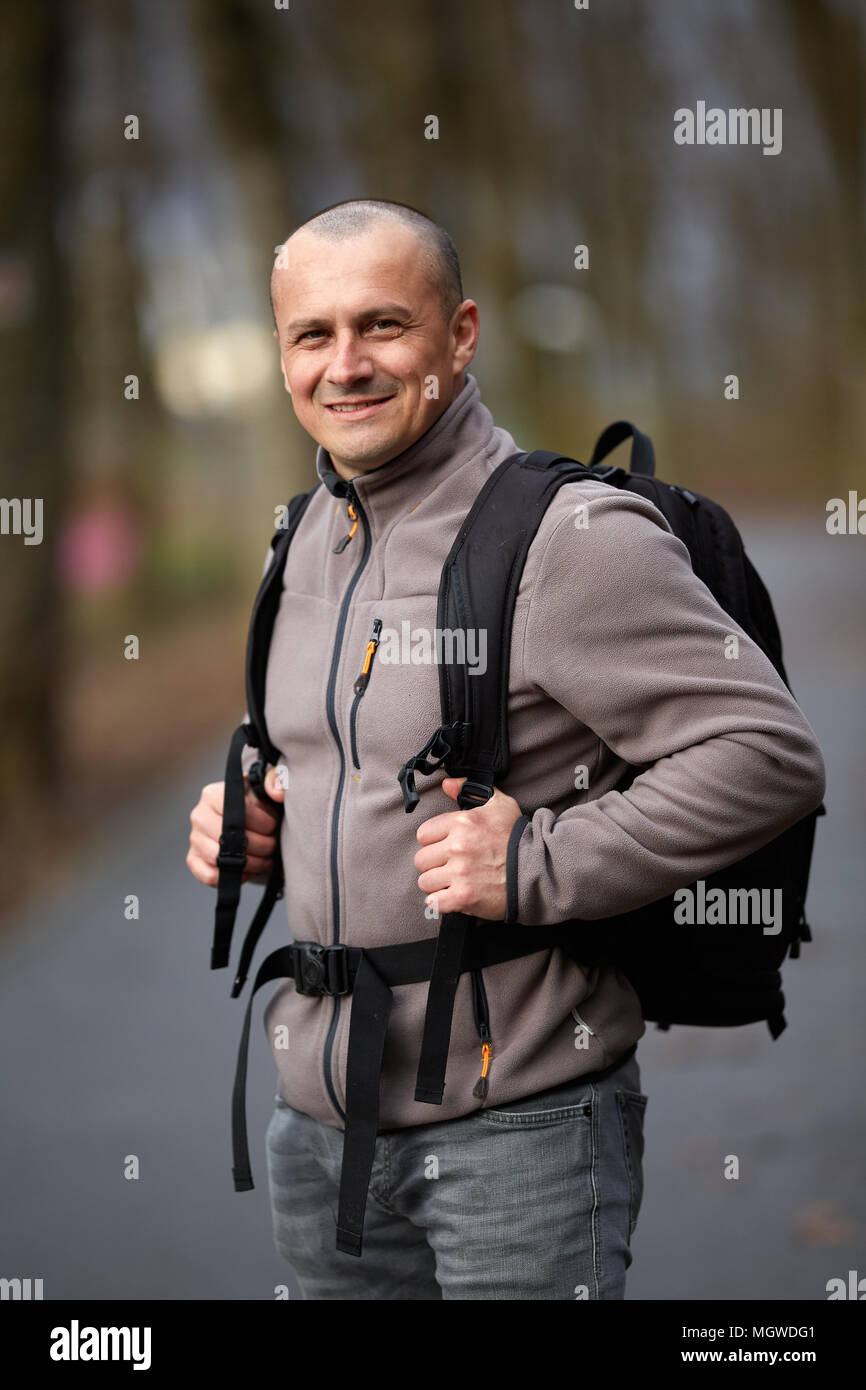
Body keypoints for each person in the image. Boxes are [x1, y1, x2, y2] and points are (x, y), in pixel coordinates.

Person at [186, 198, 826, 1300]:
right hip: (318, 1131)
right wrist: (256, 824)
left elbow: (765, 752)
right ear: (281, 354)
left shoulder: (566, 540)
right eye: (311, 334)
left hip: (515, 1130)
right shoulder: (298, 542)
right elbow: (326, 758)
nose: (345, 364)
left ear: (460, 334)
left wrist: (536, 862)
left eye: (382, 324)